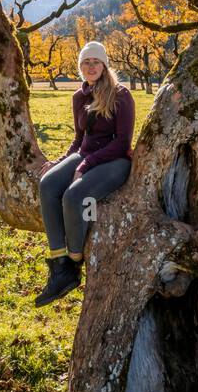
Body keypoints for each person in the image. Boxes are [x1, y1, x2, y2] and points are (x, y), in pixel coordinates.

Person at [35, 40, 135, 307]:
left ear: (104, 65)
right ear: (80, 67)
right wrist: (61, 161)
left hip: (114, 160)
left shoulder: (121, 95)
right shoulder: (78, 97)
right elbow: (80, 139)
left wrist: (85, 165)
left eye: (96, 62)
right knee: (48, 184)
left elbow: (122, 142)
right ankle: (59, 266)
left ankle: (74, 261)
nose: (91, 67)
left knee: (73, 196)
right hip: (86, 154)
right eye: (86, 62)